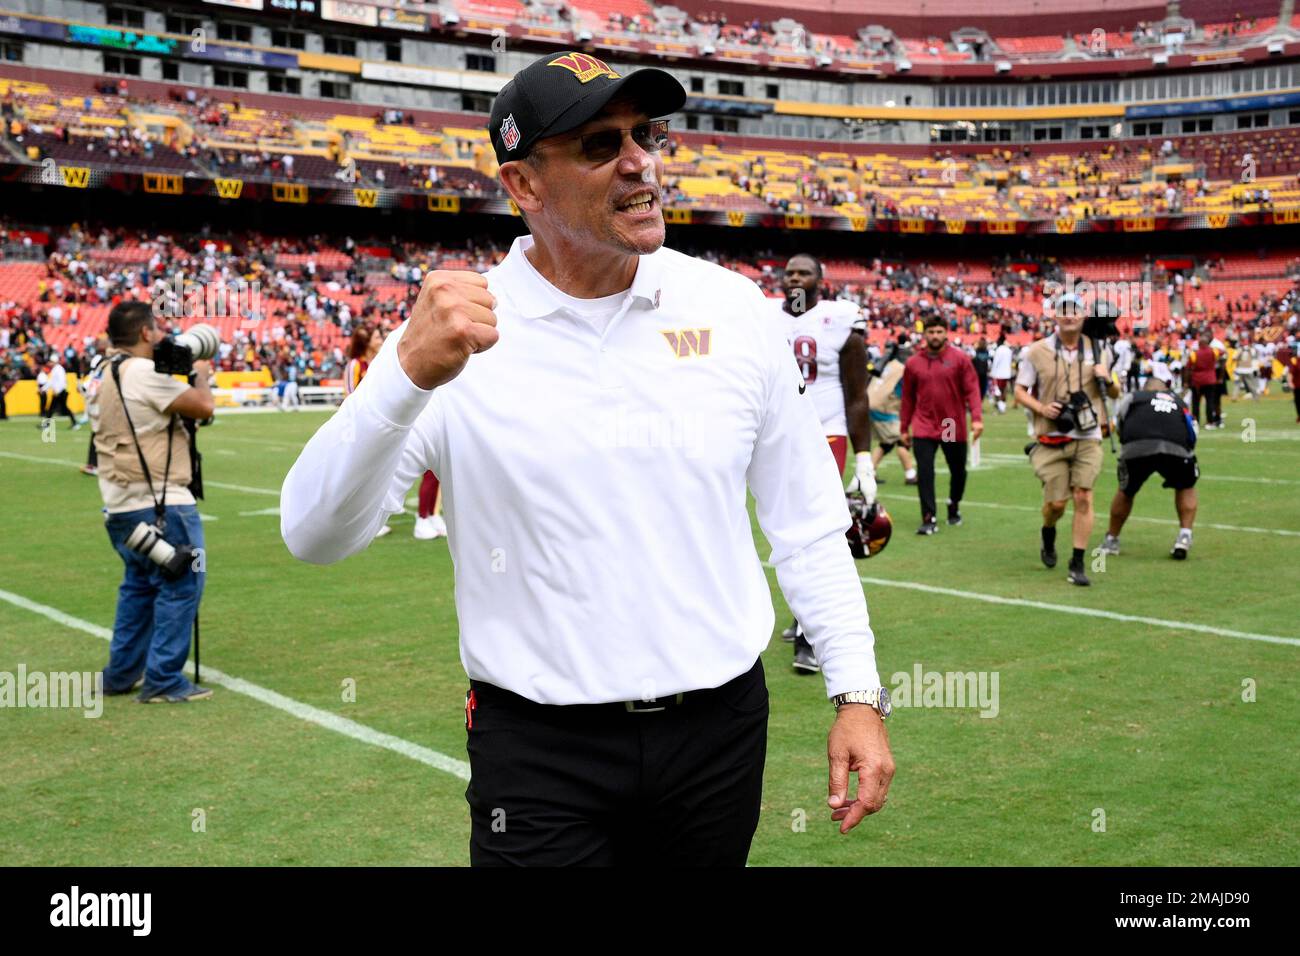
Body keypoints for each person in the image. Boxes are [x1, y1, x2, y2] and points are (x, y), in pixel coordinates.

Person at [281, 52, 894, 866]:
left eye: (647, 134)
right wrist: (400, 375)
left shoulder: (732, 310)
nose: (640, 160)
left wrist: (857, 693)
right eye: (600, 145)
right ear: (525, 186)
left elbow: (809, 523)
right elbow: (314, 535)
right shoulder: (454, 337)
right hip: (540, 751)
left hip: (719, 735)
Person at [95, 301, 214, 702]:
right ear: (146, 333)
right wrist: (200, 375)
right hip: (161, 505)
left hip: (120, 507)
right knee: (182, 583)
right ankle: (164, 678)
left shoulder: (99, 371)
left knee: (140, 587)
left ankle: (121, 674)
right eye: (157, 330)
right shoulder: (143, 373)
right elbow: (203, 407)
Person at [772, 253, 876, 673]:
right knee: (780, 529)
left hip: (824, 433)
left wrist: (865, 459)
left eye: (805, 272)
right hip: (775, 436)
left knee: (813, 531)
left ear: (820, 280)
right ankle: (800, 613)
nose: (795, 277)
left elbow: (857, 395)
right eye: (790, 271)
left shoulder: (841, 321)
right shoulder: (761, 316)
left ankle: (807, 634)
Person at [1013, 294, 1120, 586]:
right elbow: (1020, 390)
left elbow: (1115, 393)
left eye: (1075, 310)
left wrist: (1106, 378)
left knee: (1083, 496)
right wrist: (1041, 408)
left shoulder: (1100, 350)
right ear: (1054, 316)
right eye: (1063, 310)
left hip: (1088, 435)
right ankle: (1048, 532)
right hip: (1050, 436)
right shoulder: (1035, 351)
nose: (1069, 315)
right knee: (1056, 505)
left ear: (1084, 315)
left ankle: (1077, 561)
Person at [1099, 370, 1199, 560]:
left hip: (1137, 447)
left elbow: (1120, 422)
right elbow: (1192, 430)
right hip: (1176, 448)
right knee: (1186, 486)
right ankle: (1184, 536)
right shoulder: (1179, 401)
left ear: (1145, 388)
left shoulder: (1134, 397)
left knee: (1126, 491)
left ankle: (1112, 539)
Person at [899, 315, 983, 535]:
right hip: (924, 424)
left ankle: (953, 504)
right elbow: (907, 398)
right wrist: (903, 427)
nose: (935, 336)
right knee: (925, 472)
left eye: (938, 332)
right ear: (924, 334)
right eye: (930, 332)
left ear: (946, 333)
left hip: (949, 424)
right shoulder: (913, 363)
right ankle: (929, 517)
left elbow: (972, 390)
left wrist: (976, 418)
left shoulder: (960, 359)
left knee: (958, 471)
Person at [344, 326, 392, 538]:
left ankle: (372, 520)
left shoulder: (379, 363)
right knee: (359, 473)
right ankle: (354, 520)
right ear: (366, 342)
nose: (381, 339)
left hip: (378, 426)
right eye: (377, 336)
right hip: (359, 427)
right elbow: (349, 395)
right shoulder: (356, 365)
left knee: (378, 473)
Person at [867, 342, 917, 486]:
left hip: (871, 402)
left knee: (887, 443)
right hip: (883, 407)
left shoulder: (888, 364)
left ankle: (870, 472)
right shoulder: (902, 369)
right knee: (901, 439)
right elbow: (902, 394)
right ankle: (910, 475)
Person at [1188, 329, 1222, 428]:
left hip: (1197, 381)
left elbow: (1188, 367)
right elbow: (1223, 353)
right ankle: (1210, 422)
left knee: (1195, 402)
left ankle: (1196, 421)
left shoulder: (1194, 354)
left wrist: (1186, 381)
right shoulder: (1213, 351)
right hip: (1210, 380)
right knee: (1210, 402)